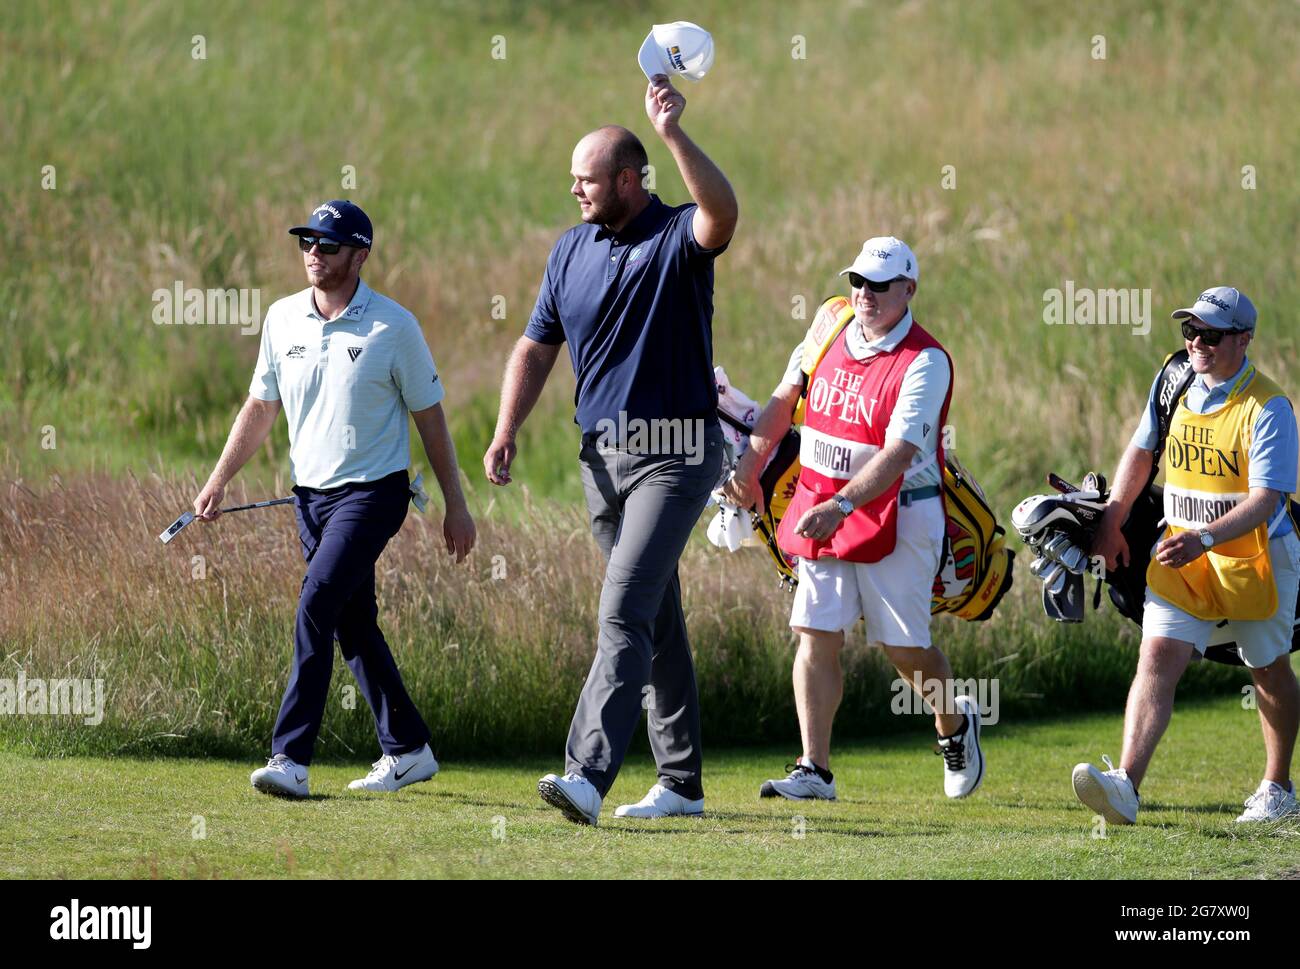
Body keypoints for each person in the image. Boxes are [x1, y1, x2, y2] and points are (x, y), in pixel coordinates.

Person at [483, 75, 737, 825]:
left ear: (628, 179)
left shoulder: (679, 236)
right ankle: (682, 783)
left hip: (677, 450)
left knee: (622, 607)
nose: (575, 192)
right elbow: (535, 347)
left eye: (586, 180)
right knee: (655, 616)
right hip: (602, 457)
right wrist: (506, 427)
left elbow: (724, 213)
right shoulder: (570, 250)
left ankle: (587, 773)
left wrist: (674, 136)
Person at [194, 199, 476, 798]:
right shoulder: (281, 319)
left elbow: (431, 419)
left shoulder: (393, 327)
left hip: (374, 495)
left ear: (360, 254)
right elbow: (261, 406)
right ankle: (409, 749)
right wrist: (219, 479)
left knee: (316, 603)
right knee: (352, 622)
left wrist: (456, 504)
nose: (313, 254)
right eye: (307, 243)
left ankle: (290, 758)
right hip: (309, 499)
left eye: (327, 244)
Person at [723, 236, 985, 801]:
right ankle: (814, 769)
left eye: (880, 285)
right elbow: (783, 398)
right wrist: (749, 466)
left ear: (908, 290)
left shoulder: (926, 360)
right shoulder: (830, 326)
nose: (864, 294)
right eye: (857, 281)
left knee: (904, 650)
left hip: (898, 513)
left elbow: (899, 455)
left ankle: (954, 726)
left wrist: (841, 505)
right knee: (814, 633)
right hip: (821, 505)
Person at [1077, 286, 1300, 824]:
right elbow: (1142, 449)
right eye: (1190, 330)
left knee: (1267, 669)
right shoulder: (1175, 377)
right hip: (1182, 556)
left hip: (1256, 559)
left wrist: (1203, 537)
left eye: (1212, 334)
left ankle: (1277, 788)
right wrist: (1112, 518)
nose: (1198, 342)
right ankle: (1126, 785)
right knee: (1156, 656)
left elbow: (1266, 501)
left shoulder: (1268, 407)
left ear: (1243, 339)